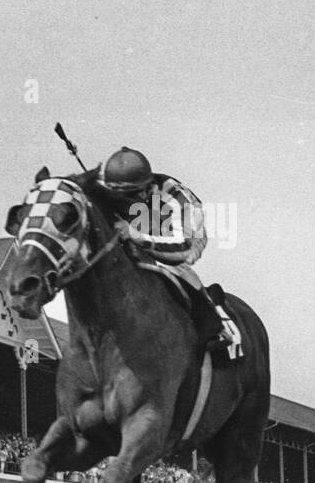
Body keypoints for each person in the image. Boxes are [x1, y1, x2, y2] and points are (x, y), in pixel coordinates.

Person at [94, 147, 237, 360]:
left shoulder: (177, 197)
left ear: (146, 188)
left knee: (173, 267)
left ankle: (214, 325)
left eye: (129, 195)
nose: (124, 201)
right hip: (145, 226)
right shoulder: (116, 193)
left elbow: (182, 248)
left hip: (184, 238)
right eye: (118, 196)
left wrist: (137, 236)